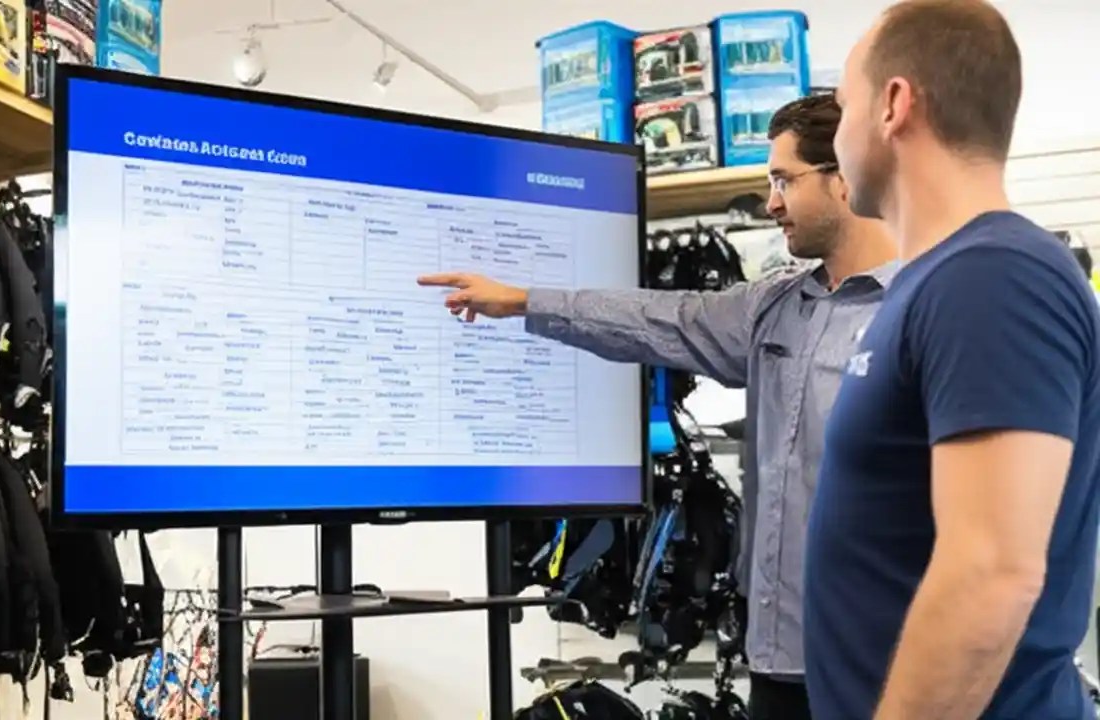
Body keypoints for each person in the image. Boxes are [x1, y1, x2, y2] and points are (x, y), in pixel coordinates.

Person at [418, 94, 897, 720]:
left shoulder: (922, 309)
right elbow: (657, 319)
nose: (771, 202)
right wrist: (524, 301)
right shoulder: (775, 307)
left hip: (884, 666)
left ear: (843, 178)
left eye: (784, 180)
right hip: (778, 660)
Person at [805, 1, 1100, 718]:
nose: (837, 139)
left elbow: (992, 575)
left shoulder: (993, 275)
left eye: (844, 107)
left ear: (894, 105)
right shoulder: (942, 279)